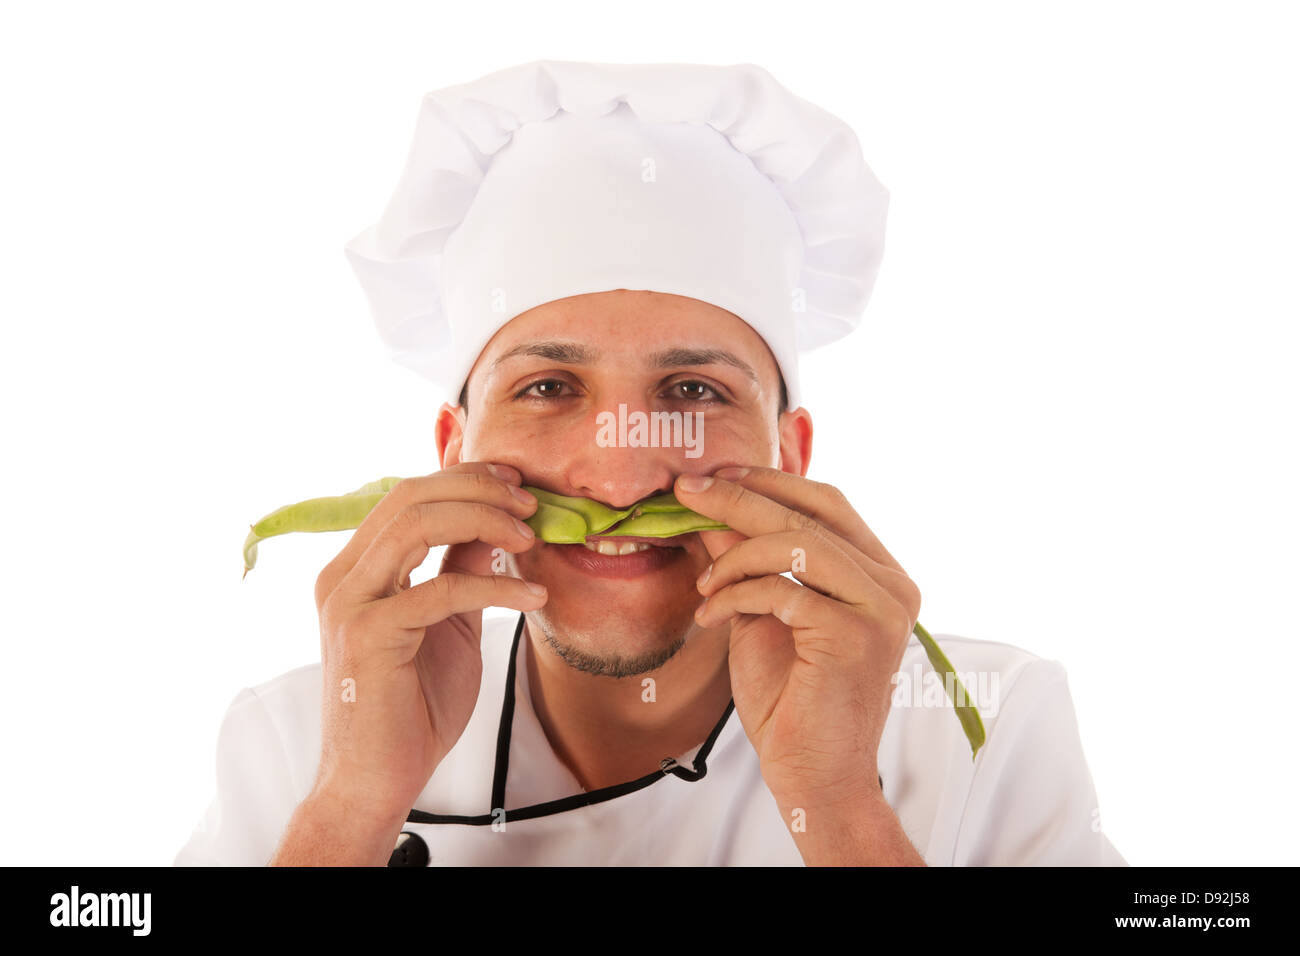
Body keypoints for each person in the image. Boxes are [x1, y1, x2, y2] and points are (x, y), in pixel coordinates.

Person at [175, 60, 1125, 866]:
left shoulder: (990, 733)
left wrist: (837, 808)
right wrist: (349, 813)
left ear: (789, 455)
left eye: (693, 393)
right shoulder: (299, 743)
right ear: (452, 453)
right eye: (548, 387)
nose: (622, 476)